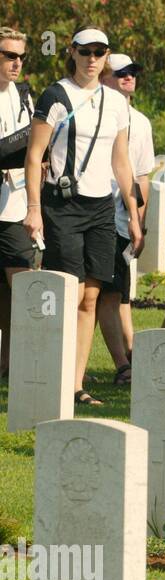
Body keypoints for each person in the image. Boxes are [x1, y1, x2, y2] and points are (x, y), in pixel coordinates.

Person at [23, 26, 142, 407]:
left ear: (107, 56)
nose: (92, 59)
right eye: (86, 51)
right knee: (69, 294)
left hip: (101, 208)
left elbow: (121, 160)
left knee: (91, 296)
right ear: (72, 52)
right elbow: (33, 156)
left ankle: (75, 384)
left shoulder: (116, 102)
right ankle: (49, 374)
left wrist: (135, 213)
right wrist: (33, 209)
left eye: (100, 52)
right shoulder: (56, 96)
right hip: (63, 205)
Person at [96, 52, 155, 386]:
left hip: (123, 217)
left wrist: (139, 220)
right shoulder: (95, 115)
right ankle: (122, 363)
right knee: (100, 293)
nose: (129, 78)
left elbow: (142, 174)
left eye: (133, 72)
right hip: (93, 211)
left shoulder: (142, 122)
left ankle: (126, 359)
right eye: (121, 73)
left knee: (116, 291)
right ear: (104, 78)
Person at [0, 26, 33, 378]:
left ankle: (16, 362)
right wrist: (34, 134)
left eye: (21, 56)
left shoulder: (24, 94)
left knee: (20, 285)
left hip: (15, 204)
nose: (17, 63)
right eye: (9, 55)